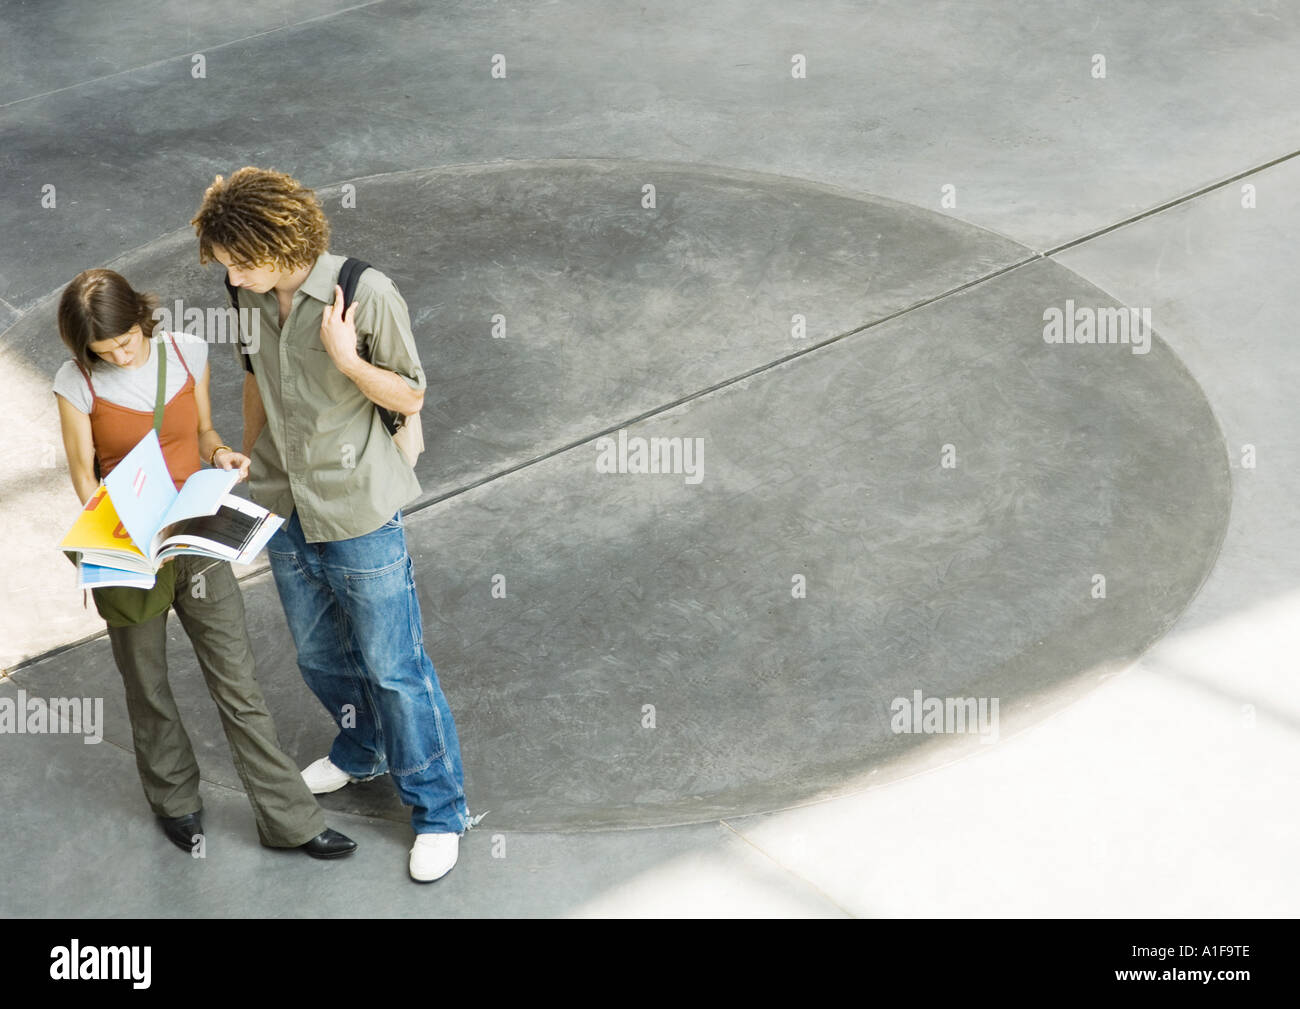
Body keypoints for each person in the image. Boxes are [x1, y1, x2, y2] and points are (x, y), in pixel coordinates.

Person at [190, 167, 474, 882]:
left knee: (395, 667)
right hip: (284, 501)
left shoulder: (365, 292)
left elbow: (409, 391)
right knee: (319, 654)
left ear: (282, 246)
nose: (231, 275)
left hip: (356, 509)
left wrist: (348, 359)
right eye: (225, 263)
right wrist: (245, 458)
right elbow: (256, 374)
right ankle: (361, 749)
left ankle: (441, 810)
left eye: (240, 261)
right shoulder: (243, 289)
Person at [53, 268, 357, 861]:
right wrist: (118, 534)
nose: (118, 354)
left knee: (237, 680)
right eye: (103, 350)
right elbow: (85, 474)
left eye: (125, 341)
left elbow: (206, 432)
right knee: (147, 682)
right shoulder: (76, 381)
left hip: (195, 532)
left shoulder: (186, 352)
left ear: (142, 317)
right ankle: (175, 801)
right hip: (129, 543)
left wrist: (221, 454)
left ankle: (290, 820)